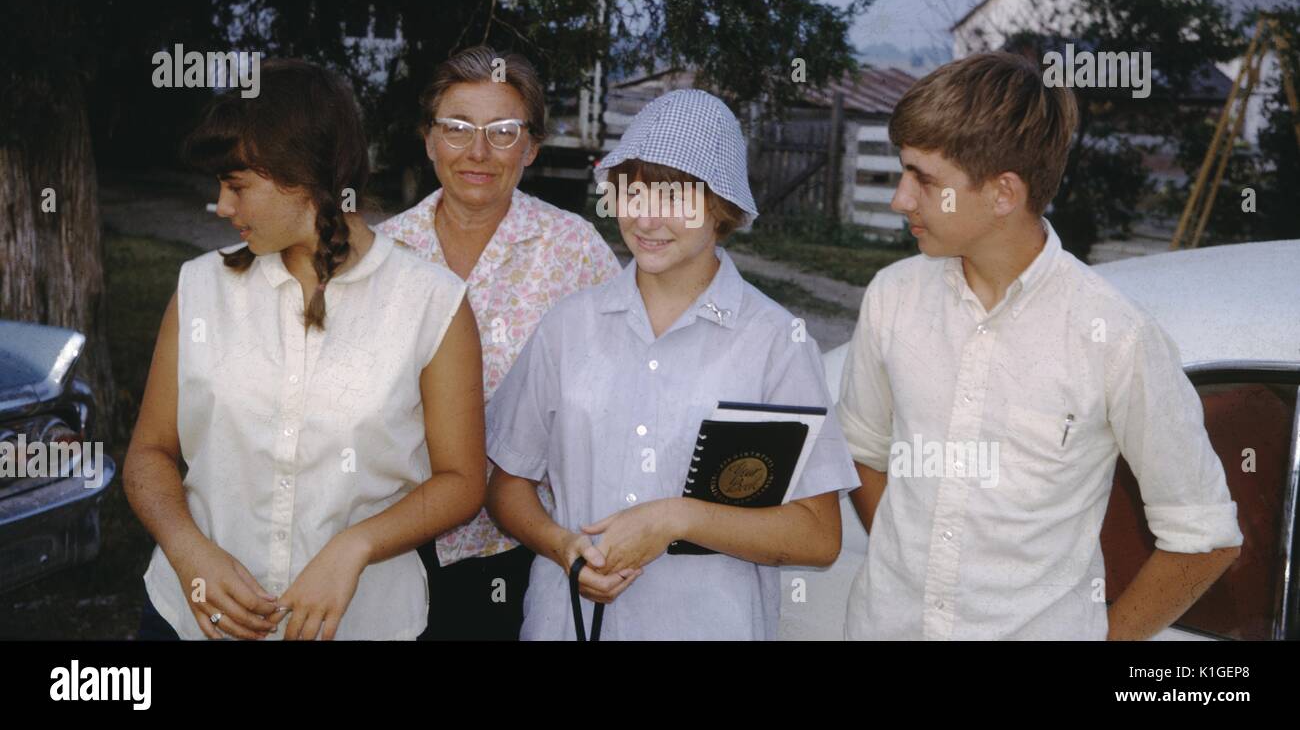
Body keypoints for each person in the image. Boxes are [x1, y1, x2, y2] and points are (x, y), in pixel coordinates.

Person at [837, 51, 1242, 640]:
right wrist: (922, 578)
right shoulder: (892, 297)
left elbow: (1204, 538)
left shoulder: (1115, 334)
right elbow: (864, 451)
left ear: (1003, 193)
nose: (900, 199)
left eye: (923, 179)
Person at [124, 59, 484, 640]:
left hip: (362, 623)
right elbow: (149, 454)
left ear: (304, 175)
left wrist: (356, 546)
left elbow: (462, 480)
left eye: (237, 185)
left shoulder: (431, 304)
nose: (221, 206)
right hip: (190, 621)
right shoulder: (198, 289)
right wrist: (189, 552)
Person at [485, 88, 860, 640]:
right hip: (569, 625)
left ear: (720, 207)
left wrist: (678, 518)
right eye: (634, 193)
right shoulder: (569, 326)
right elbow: (506, 486)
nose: (648, 218)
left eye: (677, 196)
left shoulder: (777, 341)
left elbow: (818, 537)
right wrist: (563, 549)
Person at [376, 46, 620, 640]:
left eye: (503, 132)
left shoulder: (575, 252)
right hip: (389, 544)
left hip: (519, 552)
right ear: (429, 140)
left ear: (532, 146)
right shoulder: (381, 254)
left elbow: (619, 394)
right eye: (457, 129)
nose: (477, 152)